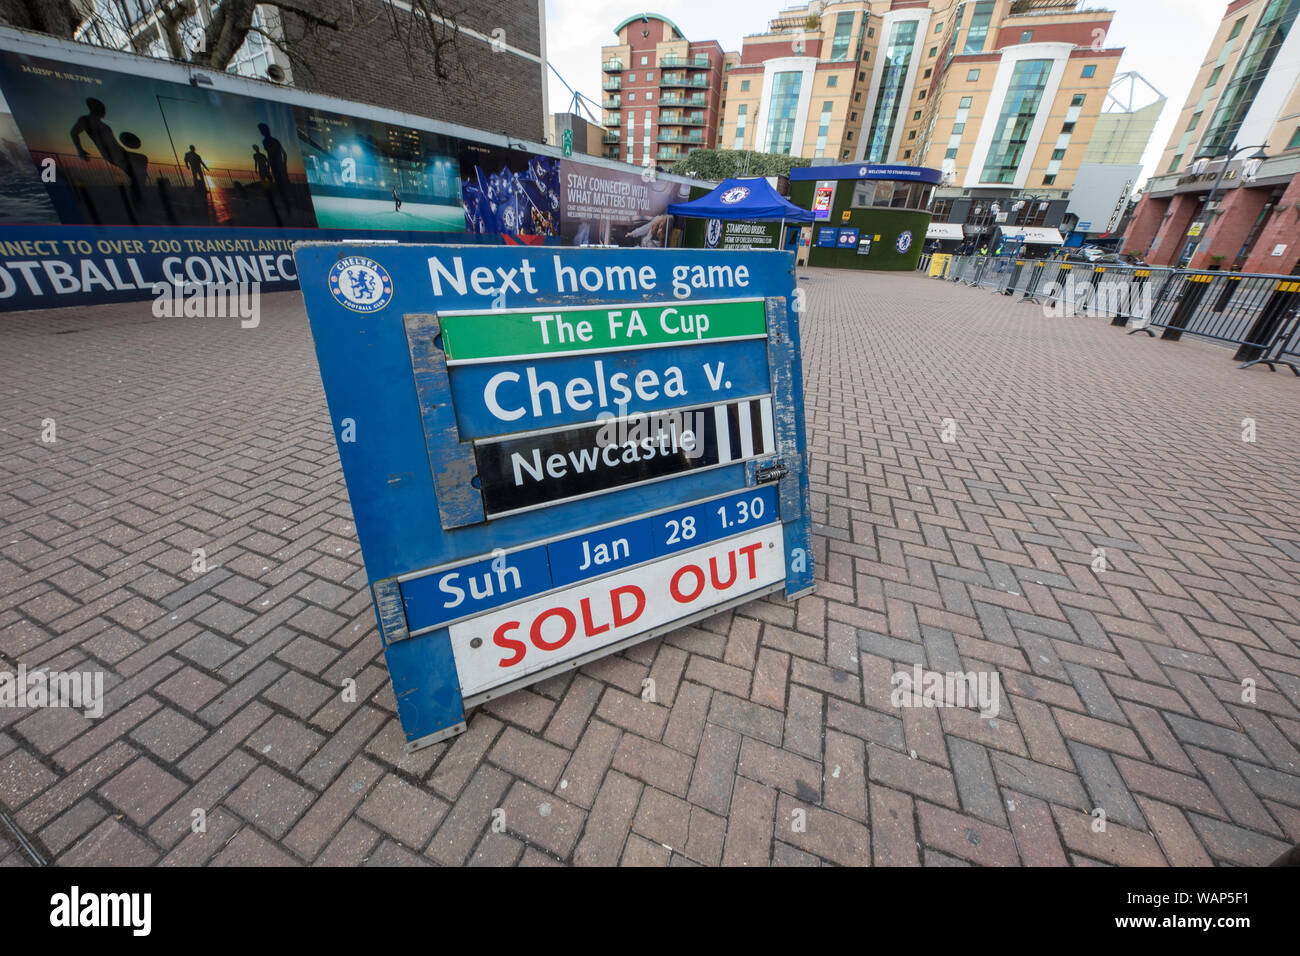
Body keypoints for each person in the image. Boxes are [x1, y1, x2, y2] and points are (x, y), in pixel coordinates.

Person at [70, 97, 141, 200]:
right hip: (113, 154)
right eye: (102, 108)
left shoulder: (103, 125)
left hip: (120, 151)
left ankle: (137, 194)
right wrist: (80, 150)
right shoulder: (86, 121)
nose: (104, 111)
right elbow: (74, 132)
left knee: (141, 162)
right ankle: (136, 197)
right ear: (94, 108)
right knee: (134, 174)